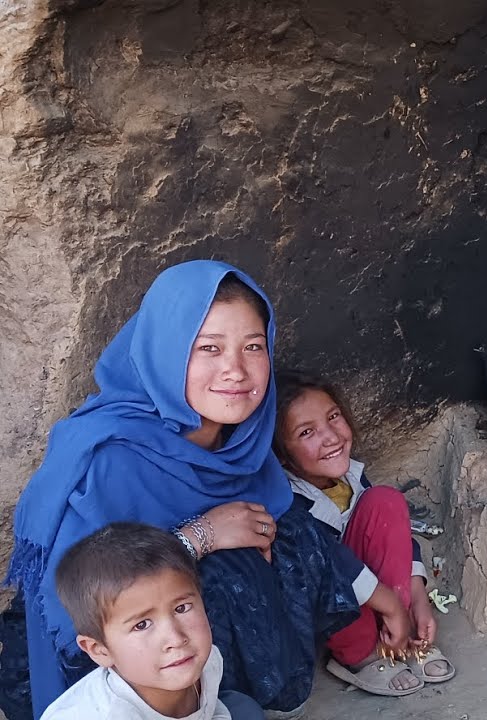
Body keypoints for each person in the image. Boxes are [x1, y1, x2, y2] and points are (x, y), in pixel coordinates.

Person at [4, 261, 418, 719]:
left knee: (282, 531)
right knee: (228, 565)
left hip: (189, 651)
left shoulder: (242, 441)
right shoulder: (110, 459)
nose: (236, 370)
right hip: (105, 664)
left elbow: (302, 533)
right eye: (209, 349)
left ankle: (238, 696)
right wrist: (201, 536)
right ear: (167, 351)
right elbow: (85, 602)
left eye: (253, 347)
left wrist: (390, 601)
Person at [274, 370, 455, 696]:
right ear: (282, 455)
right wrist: (391, 607)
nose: (330, 436)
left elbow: (395, 540)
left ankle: (400, 633)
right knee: (332, 568)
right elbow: (333, 564)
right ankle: (359, 654)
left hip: (376, 599)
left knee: (386, 501)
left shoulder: (351, 477)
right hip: (330, 614)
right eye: (306, 432)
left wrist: (416, 600)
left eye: (333, 417)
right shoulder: (287, 503)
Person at [42, 523, 262, 720]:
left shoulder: (206, 662)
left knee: (245, 709)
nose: (176, 639)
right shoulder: (104, 714)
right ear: (99, 650)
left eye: (181, 608)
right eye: (142, 625)